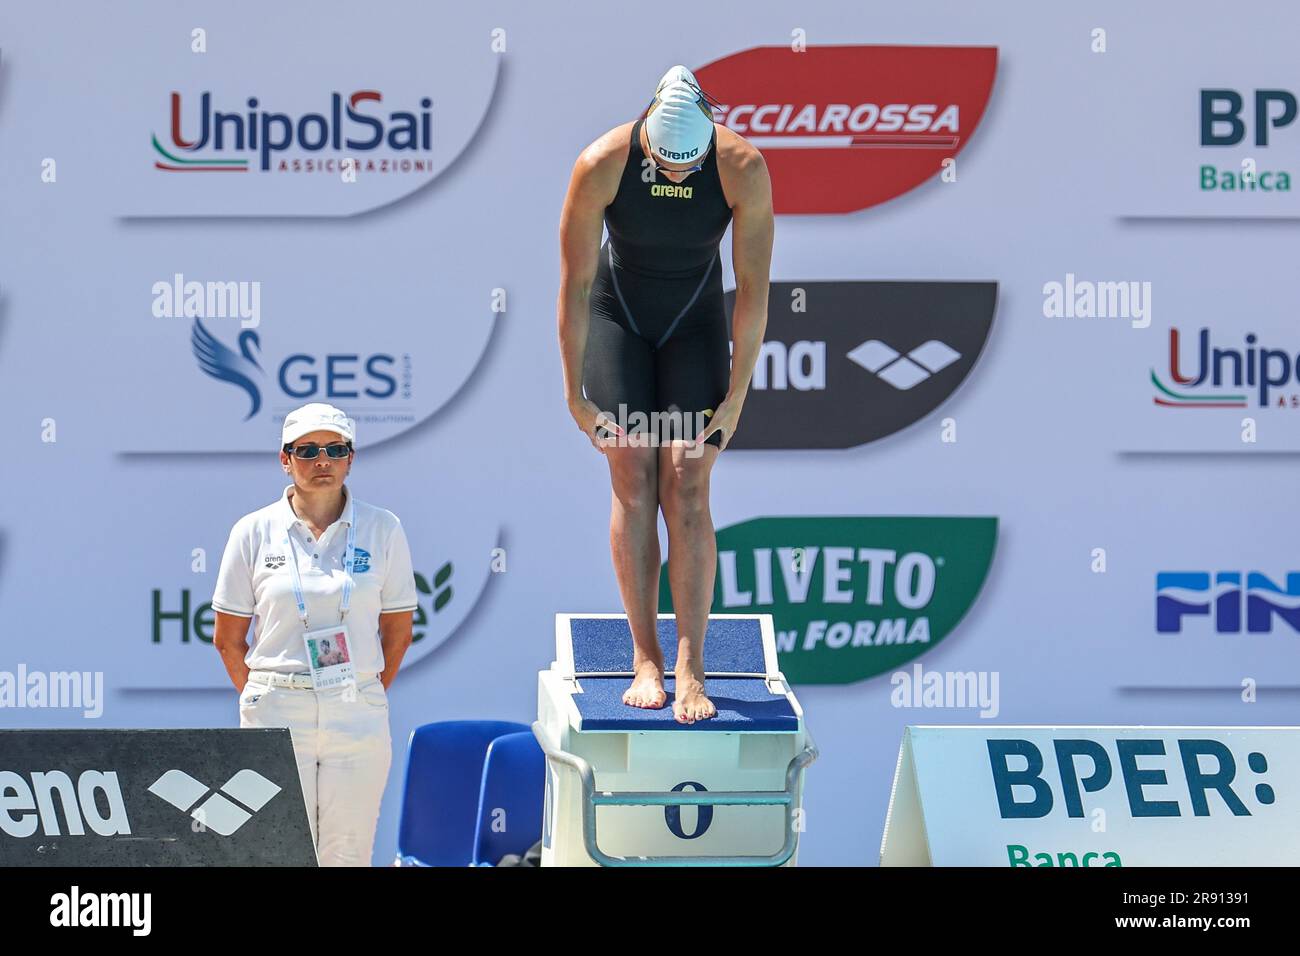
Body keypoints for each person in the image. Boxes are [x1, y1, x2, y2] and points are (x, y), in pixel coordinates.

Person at [557, 65, 774, 723]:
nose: (677, 178)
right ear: (646, 137)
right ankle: (645, 655)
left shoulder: (741, 167)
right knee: (633, 474)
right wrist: (575, 394)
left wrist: (736, 397)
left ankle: (690, 664)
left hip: (695, 323)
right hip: (619, 317)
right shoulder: (602, 163)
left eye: (688, 168)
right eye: (664, 166)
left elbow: (754, 293)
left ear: (707, 142)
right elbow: (572, 288)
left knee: (688, 480)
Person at [211, 402, 418, 866]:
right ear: (285, 459)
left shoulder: (384, 528)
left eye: (334, 449)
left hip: (356, 710)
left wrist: (362, 691)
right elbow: (227, 639)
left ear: (351, 458)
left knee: (348, 853)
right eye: (306, 450)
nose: (321, 460)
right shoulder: (253, 531)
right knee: (275, 853)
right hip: (277, 709)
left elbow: (398, 631)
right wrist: (262, 697)